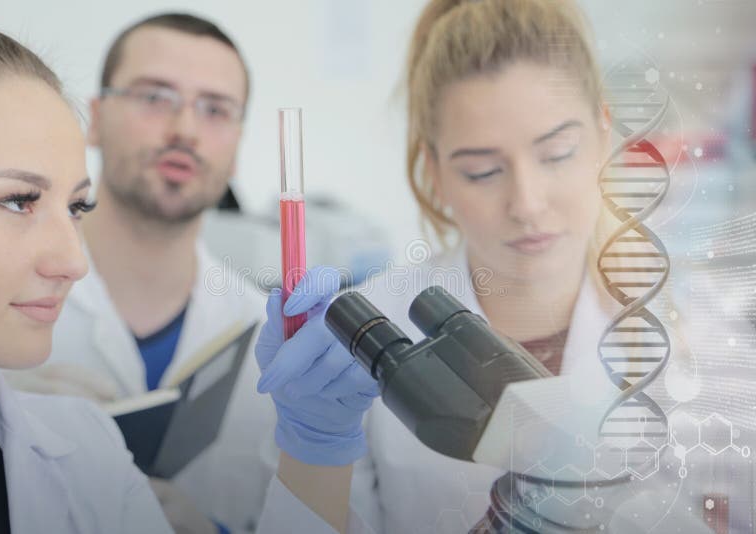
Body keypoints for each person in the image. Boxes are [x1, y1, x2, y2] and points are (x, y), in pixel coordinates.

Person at [252, 0, 753, 533]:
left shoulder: (700, 329)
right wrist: (313, 451)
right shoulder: (357, 348)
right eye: (483, 171)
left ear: (605, 135)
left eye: (557, 153)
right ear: (433, 174)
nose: (527, 203)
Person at [5, 13, 275, 534]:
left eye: (216, 109)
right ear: (97, 119)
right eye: (155, 97)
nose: (186, 130)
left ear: (238, 142)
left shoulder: (268, 336)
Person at [0, 19, 172, 533]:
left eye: (77, 205)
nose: (74, 263)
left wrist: (312, 458)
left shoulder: (89, 448)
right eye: (17, 200)